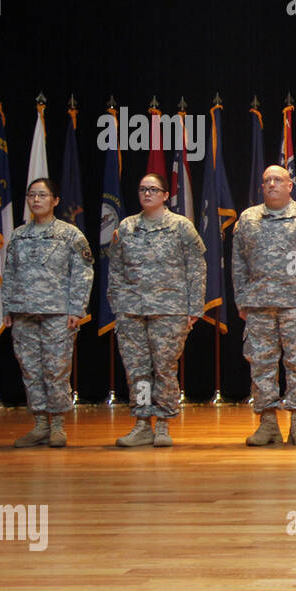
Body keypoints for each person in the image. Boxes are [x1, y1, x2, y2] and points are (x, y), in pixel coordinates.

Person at [232, 164, 296, 446]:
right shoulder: (249, 219)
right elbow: (239, 262)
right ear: (261, 187)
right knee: (261, 365)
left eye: (278, 179)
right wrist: (241, 298)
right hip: (259, 304)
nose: (272, 184)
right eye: (267, 180)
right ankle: (267, 424)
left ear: (290, 185)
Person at [106, 172, 206, 447]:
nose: (146, 194)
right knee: (137, 369)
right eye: (142, 189)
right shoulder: (126, 227)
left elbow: (196, 267)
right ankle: (141, 424)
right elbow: (114, 268)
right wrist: (117, 303)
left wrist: (194, 307)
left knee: (163, 368)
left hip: (170, 310)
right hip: (131, 310)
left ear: (165, 195)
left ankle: (163, 424)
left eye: (153, 189)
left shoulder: (181, 227)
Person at [1, 177, 94, 447]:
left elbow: (83, 273)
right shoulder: (19, 235)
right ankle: (40, 424)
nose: (36, 200)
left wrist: (77, 308)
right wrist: (8, 306)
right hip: (24, 313)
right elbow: (10, 273)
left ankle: (57, 425)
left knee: (56, 370)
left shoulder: (69, 235)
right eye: (32, 195)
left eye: (42, 195)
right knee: (30, 370)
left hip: (58, 314)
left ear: (55, 200)